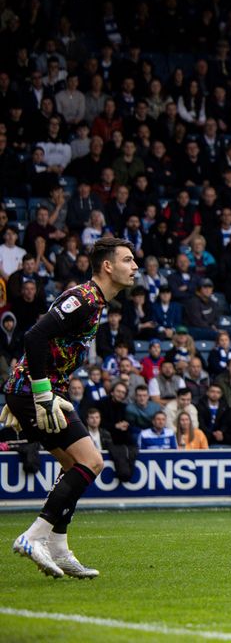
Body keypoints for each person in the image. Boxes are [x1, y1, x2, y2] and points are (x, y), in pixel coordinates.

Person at [2, 237, 138, 579]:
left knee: (73, 465)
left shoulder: (96, 302)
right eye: (127, 259)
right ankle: (34, 536)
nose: (135, 266)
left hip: (41, 391)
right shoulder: (84, 299)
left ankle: (59, 547)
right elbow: (34, 337)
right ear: (107, 266)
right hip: (38, 392)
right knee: (92, 462)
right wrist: (39, 393)